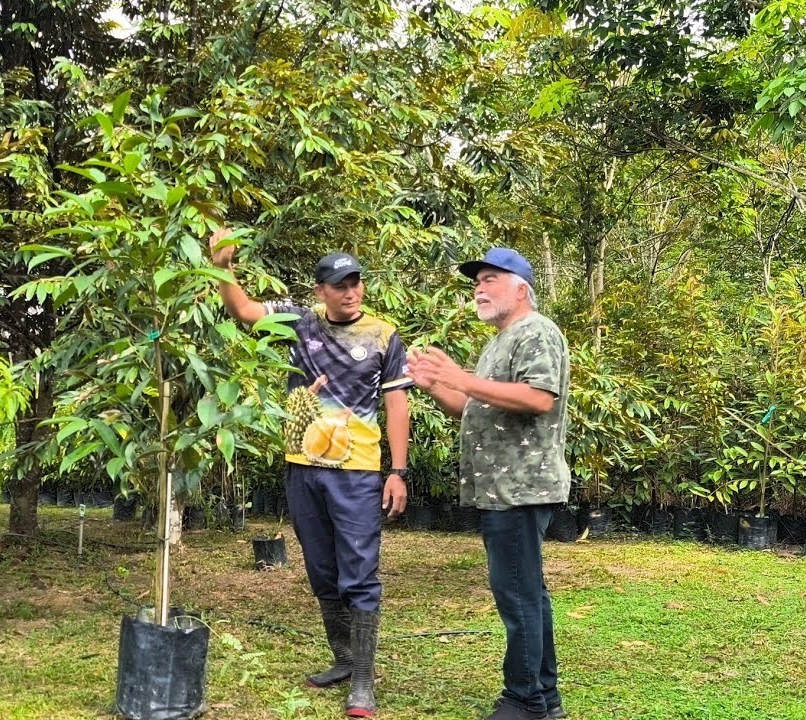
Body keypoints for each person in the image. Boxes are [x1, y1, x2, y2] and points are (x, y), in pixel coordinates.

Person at [210, 228, 410, 718]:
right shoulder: (300, 322)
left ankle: (364, 679)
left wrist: (398, 471)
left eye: (356, 282)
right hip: (303, 468)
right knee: (322, 571)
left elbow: (397, 402)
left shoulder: (384, 335)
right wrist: (222, 266)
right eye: (340, 284)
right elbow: (245, 310)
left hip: (357, 472)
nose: (351, 291)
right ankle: (344, 659)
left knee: (359, 573)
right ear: (320, 290)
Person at [406, 248, 570, 720]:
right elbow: (471, 408)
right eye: (477, 281)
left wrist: (459, 376)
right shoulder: (499, 341)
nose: (479, 287)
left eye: (491, 279)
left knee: (516, 594)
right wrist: (436, 384)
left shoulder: (536, 332)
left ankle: (525, 701)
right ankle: (545, 697)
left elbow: (538, 398)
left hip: (522, 488)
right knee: (527, 593)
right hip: (501, 489)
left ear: (521, 289)